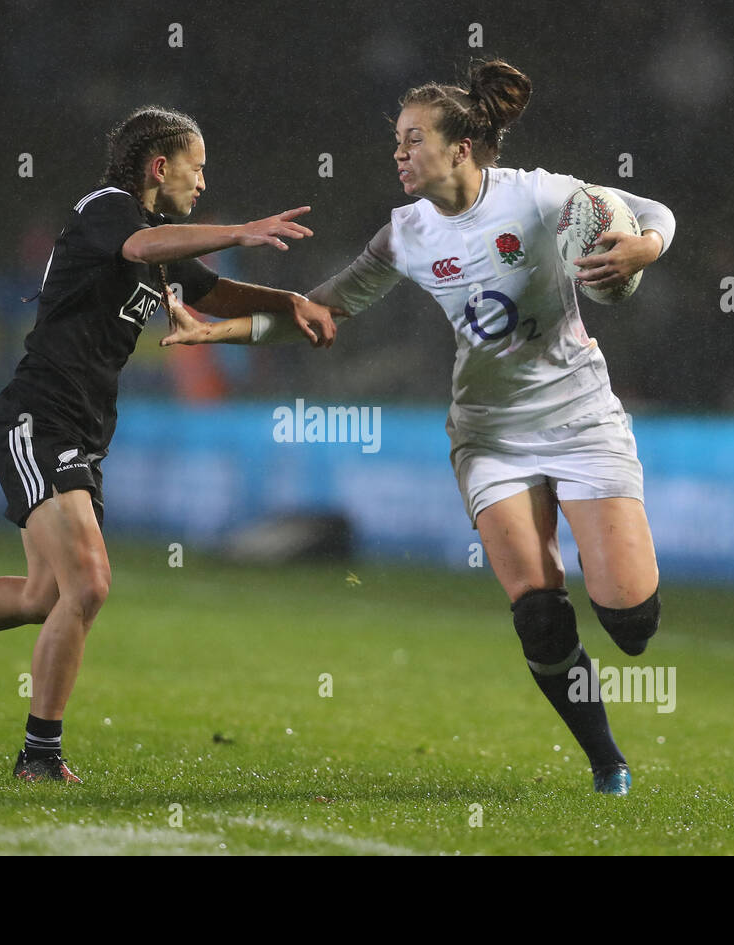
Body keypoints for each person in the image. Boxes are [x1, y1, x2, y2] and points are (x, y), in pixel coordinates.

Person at [163, 62, 674, 795]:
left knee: (631, 622)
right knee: (537, 612)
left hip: (582, 419)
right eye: (396, 142)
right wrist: (213, 332)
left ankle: (623, 642)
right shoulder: (406, 234)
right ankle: (607, 761)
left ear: (461, 146)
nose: (399, 154)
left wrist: (643, 249)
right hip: (488, 434)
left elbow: (655, 211)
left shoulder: (540, 195)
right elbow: (316, 310)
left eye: (412, 140)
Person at [0, 106, 337, 783]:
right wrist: (240, 231)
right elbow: (143, 251)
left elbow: (214, 292)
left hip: (83, 431)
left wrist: (288, 300)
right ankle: (40, 753)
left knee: (42, 595)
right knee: (88, 584)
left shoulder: (153, 239)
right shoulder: (109, 209)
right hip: (40, 418)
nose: (203, 181)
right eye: (196, 167)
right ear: (159, 167)